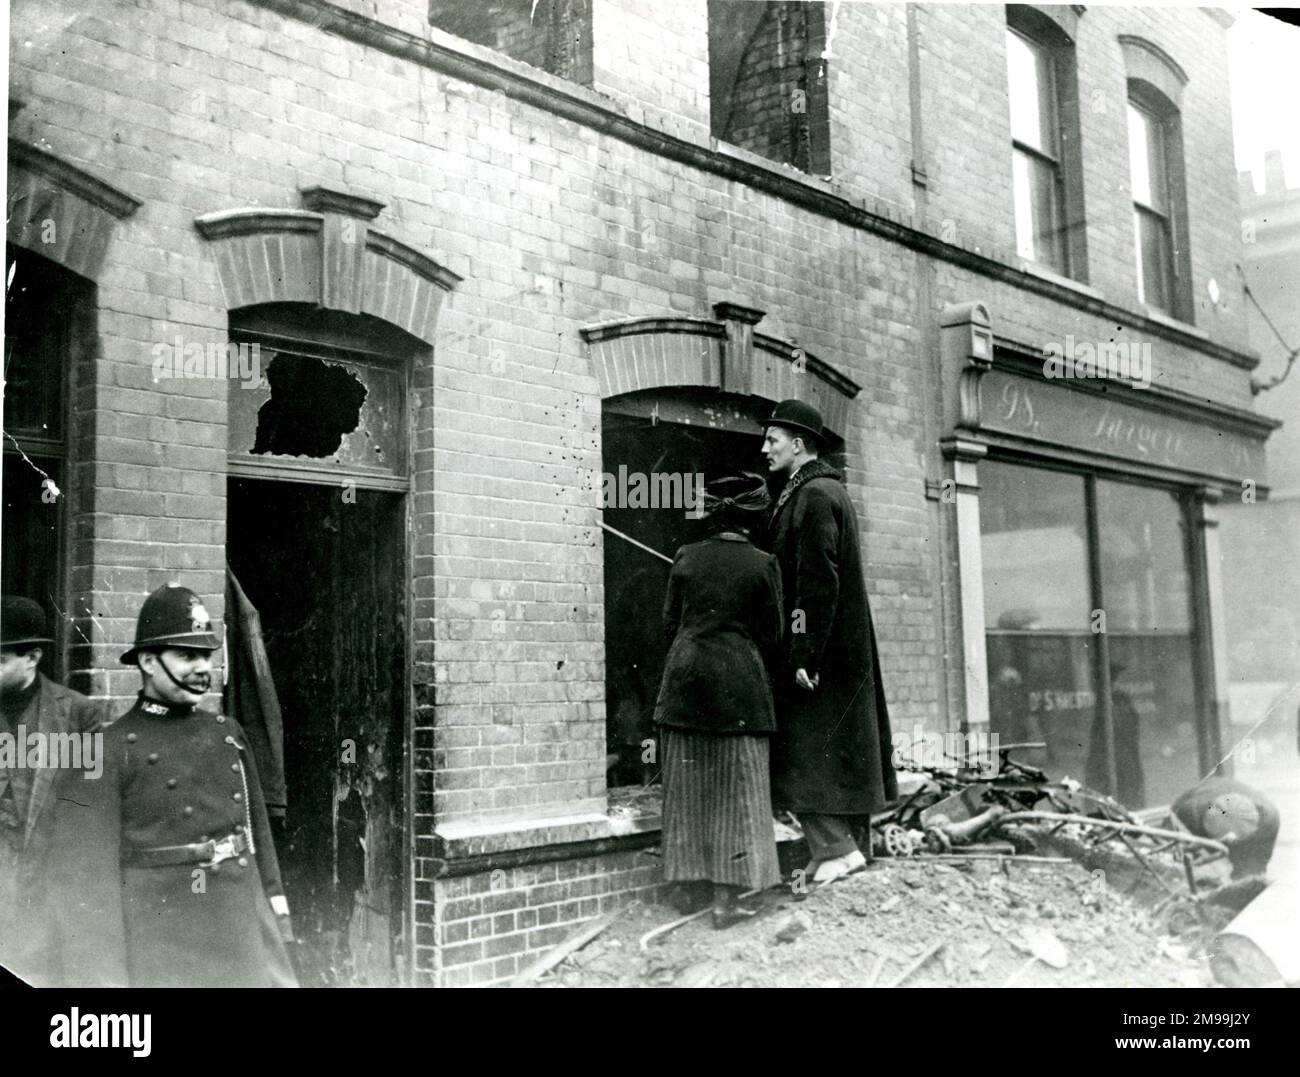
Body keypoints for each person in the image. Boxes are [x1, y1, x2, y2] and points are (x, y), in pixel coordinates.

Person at [57, 583, 297, 986]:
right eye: (186, 655)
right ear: (149, 662)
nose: (202, 668)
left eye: (206, 655)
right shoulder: (106, 749)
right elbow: (89, 884)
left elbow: (258, 846)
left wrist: (276, 928)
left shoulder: (228, 734)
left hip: (238, 938)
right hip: (161, 947)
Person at [762, 400, 897, 884]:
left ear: (798, 445)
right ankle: (836, 850)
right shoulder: (817, 491)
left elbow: (818, 581)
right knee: (833, 751)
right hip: (838, 652)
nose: (764, 449)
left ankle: (838, 849)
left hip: (823, 655)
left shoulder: (814, 496)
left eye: (772, 440)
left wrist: (803, 650)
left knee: (806, 751)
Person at [653, 474, 785, 927]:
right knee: (738, 791)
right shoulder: (764, 564)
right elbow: (773, 634)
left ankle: (686, 889)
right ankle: (728, 900)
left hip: (686, 679)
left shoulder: (686, 556)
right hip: (740, 688)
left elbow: (669, 622)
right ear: (751, 520)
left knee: (686, 787)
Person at [0, 596, 103, 985]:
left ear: (33, 657)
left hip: (46, 898)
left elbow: (91, 810)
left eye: (0, 661)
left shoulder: (79, 715)